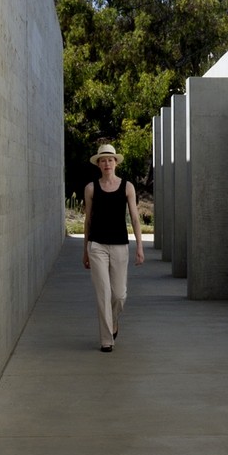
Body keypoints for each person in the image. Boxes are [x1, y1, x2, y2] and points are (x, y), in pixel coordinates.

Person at [79, 141, 144, 348]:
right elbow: (87, 220)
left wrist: (140, 247)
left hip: (119, 246)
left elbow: (134, 218)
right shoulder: (90, 188)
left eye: (110, 160)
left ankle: (114, 321)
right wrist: (85, 251)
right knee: (103, 293)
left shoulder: (127, 187)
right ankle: (107, 340)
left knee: (119, 294)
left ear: (116, 163)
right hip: (97, 246)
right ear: (98, 164)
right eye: (103, 160)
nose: (107, 163)